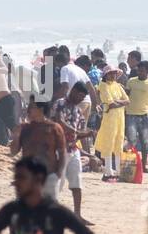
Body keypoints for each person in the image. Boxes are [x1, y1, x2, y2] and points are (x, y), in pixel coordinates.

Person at [50, 82, 93, 220]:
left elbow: (78, 134)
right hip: (58, 149)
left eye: (82, 98)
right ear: (73, 91)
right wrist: (76, 131)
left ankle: (78, 214)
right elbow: (59, 122)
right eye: (80, 97)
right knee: (57, 183)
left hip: (73, 149)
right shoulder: (60, 103)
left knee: (77, 182)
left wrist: (87, 134)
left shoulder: (78, 110)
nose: (80, 100)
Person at [10, 98, 66, 198]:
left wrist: (58, 173)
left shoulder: (54, 128)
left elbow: (62, 152)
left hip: (49, 176)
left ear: (41, 109)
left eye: (31, 107)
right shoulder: (24, 128)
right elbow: (13, 152)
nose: (28, 110)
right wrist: (16, 135)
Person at [94, 66, 129, 181]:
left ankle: (118, 171)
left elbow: (127, 100)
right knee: (108, 142)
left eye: (114, 73)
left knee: (119, 142)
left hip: (120, 118)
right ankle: (108, 171)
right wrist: (120, 102)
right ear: (105, 75)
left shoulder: (118, 86)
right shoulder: (103, 86)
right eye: (110, 73)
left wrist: (117, 102)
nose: (113, 75)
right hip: (109, 118)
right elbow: (111, 104)